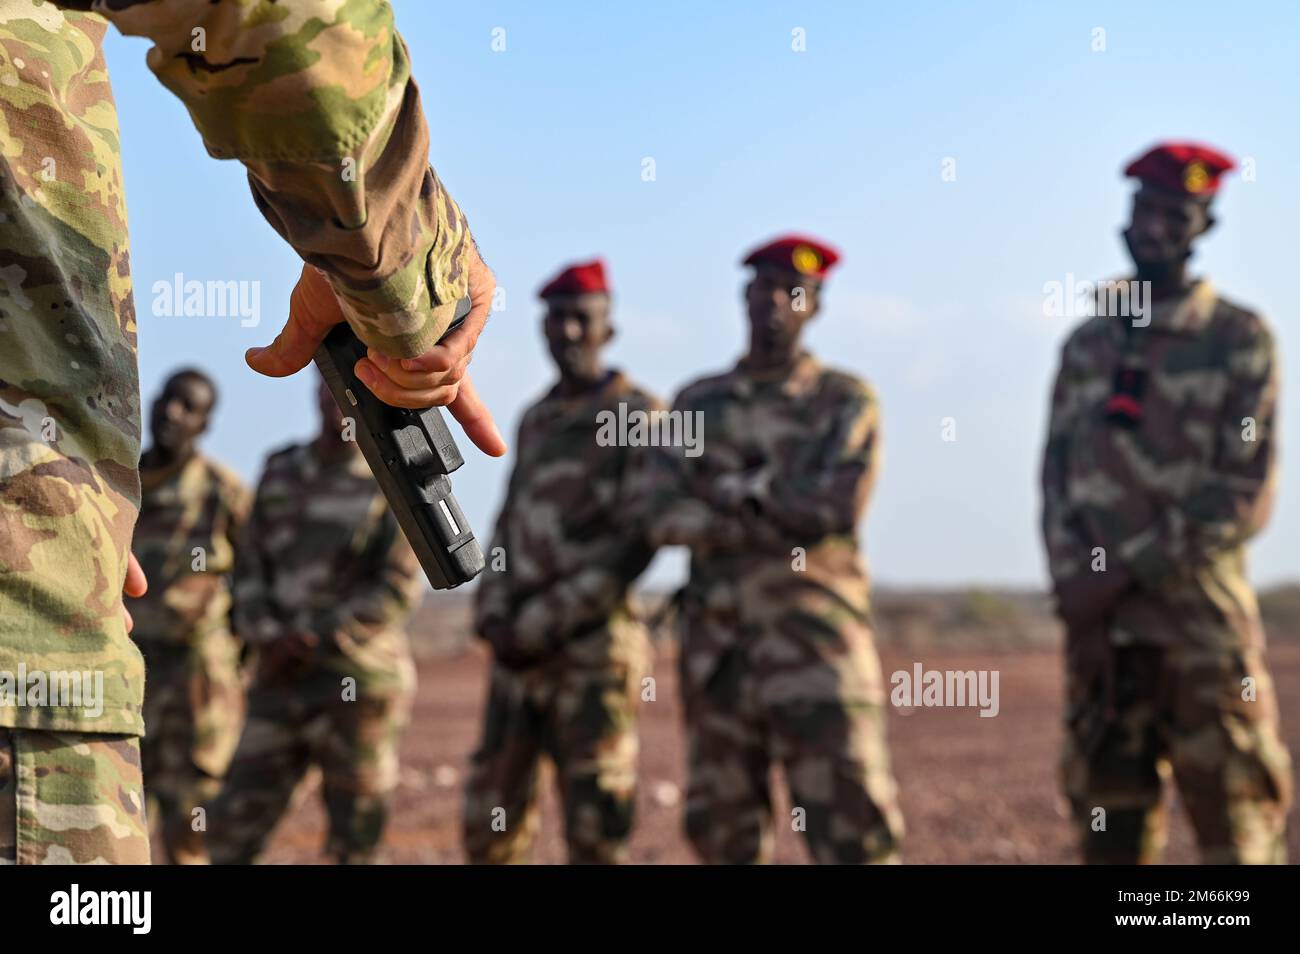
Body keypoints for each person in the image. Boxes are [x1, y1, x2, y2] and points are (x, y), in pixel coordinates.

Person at [0, 0, 499, 864]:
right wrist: (414, 278)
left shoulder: (233, 486)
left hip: (320, 672)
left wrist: (48, 478)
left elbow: (367, 578)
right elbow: (287, 27)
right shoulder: (272, 471)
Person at [1041, 142, 1292, 864]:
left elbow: (1243, 489)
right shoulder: (1088, 344)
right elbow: (1055, 483)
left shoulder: (1237, 340)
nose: (1153, 227)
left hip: (1201, 632)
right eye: (1143, 210)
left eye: (1173, 214)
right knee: (1108, 837)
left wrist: (1122, 572)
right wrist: (1075, 594)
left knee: (1237, 835)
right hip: (1102, 636)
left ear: (1204, 225)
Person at [628, 235, 905, 864]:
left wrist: (728, 497)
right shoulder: (698, 404)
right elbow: (659, 515)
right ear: (743, 298)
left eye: (793, 291)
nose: (775, 302)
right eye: (762, 288)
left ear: (816, 307)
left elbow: (834, 507)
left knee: (853, 832)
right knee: (723, 836)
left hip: (817, 653)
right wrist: (775, 505)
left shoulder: (844, 400)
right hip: (718, 659)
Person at [464, 260, 659, 864]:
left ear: (609, 330)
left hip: (592, 656)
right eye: (556, 320)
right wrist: (491, 605)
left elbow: (637, 541)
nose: (568, 332)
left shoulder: (640, 414)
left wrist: (541, 620)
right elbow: (509, 519)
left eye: (582, 319)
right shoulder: (536, 418)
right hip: (518, 660)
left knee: (596, 827)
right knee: (489, 823)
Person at [205, 379, 423, 864]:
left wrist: (315, 639)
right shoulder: (280, 469)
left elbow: (397, 585)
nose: (339, 401)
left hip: (359, 682)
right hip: (280, 679)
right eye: (330, 389)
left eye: (352, 390)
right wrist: (268, 636)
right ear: (316, 393)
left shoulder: (394, 474)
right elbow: (249, 568)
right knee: (228, 827)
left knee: (355, 838)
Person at [133, 369, 250, 864]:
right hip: (129, 675)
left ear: (204, 424)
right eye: (166, 399)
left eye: (188, 407)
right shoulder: (118, 482)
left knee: (193, 823)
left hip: (197, 685)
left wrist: (233, 658)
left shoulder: (223, 491)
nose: (171, 412)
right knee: (120, 818)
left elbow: (256, 582)